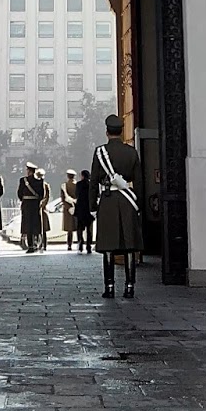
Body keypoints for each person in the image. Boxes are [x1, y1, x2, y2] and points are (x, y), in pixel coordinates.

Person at [91, 114, 144, 298]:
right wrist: (139, 205)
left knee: (108, 246)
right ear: (121, 132)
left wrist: (92, 206)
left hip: (108, 201)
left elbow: (93, 181)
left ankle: (109, 287)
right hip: (128, 201)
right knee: (129, 245)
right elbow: (139, 181)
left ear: (107, 132)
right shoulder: (131, 152)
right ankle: (130, 287)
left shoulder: (100, 152)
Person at [17, 162, 46, 252]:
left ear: (28, 171)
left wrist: (24, 200)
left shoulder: (23, 180)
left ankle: (30, 246)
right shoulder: (40, 181)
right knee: (36, 225)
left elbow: (19, 194)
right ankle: (36, 244)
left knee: (28, 225)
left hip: (26, 205)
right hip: (35, 205)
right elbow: (42, 194)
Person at [74, 169, 94, 253]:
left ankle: (80, 243)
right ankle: (89, 245)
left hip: (80, 209)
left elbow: (76, 194)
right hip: (89, 209)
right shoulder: (91, 184)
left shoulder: (78, 184)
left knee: (80, 228)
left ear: (82, 176)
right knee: (89, 229)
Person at [60, 170, 78, 250]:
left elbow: (63, 199)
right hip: (77, 207)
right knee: (78, 227)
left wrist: (68, 207)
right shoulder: (78, 185)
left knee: (69, 229)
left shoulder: (64, 185)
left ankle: (69, 244)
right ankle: (80, 243)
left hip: (68, 209)